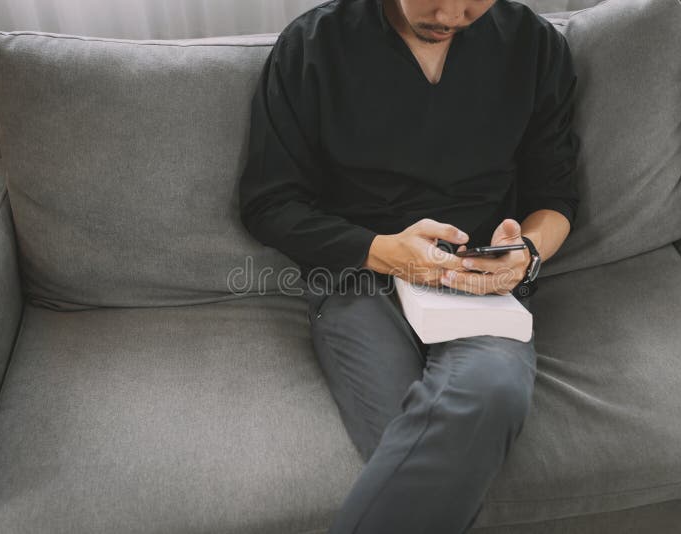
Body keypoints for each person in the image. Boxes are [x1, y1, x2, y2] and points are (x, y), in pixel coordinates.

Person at [239, 0, 580, 531]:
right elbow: (268, 203)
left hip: (475, 282)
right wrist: (381, 249)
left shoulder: (533, 47)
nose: (450, 14)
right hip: (357, 277)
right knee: (418, 446)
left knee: (493, 391)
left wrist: (527, 252)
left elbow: (556, 194)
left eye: (473, 1)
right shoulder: (313, 46)